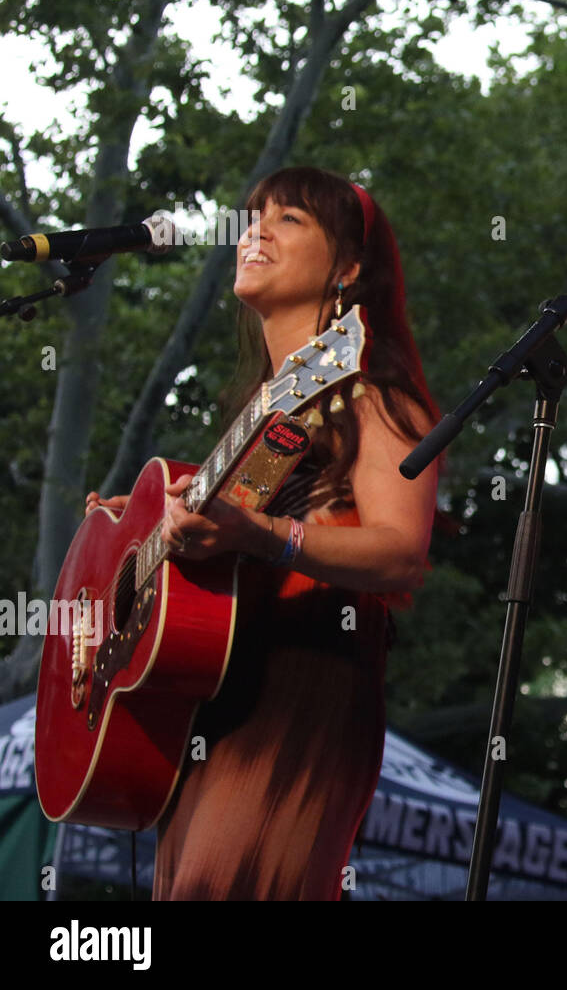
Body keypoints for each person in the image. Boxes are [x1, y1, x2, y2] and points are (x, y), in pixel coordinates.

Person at [85, 167, 439, 900]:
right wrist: (138, 539)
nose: (256, 232)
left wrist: (263, 532)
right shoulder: (264, 423)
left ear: (348, 269)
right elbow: (222, 567)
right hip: (212, 700)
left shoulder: (372, 398)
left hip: (301, 695)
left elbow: (402, 554)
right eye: (254, 218)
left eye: (289, 220)